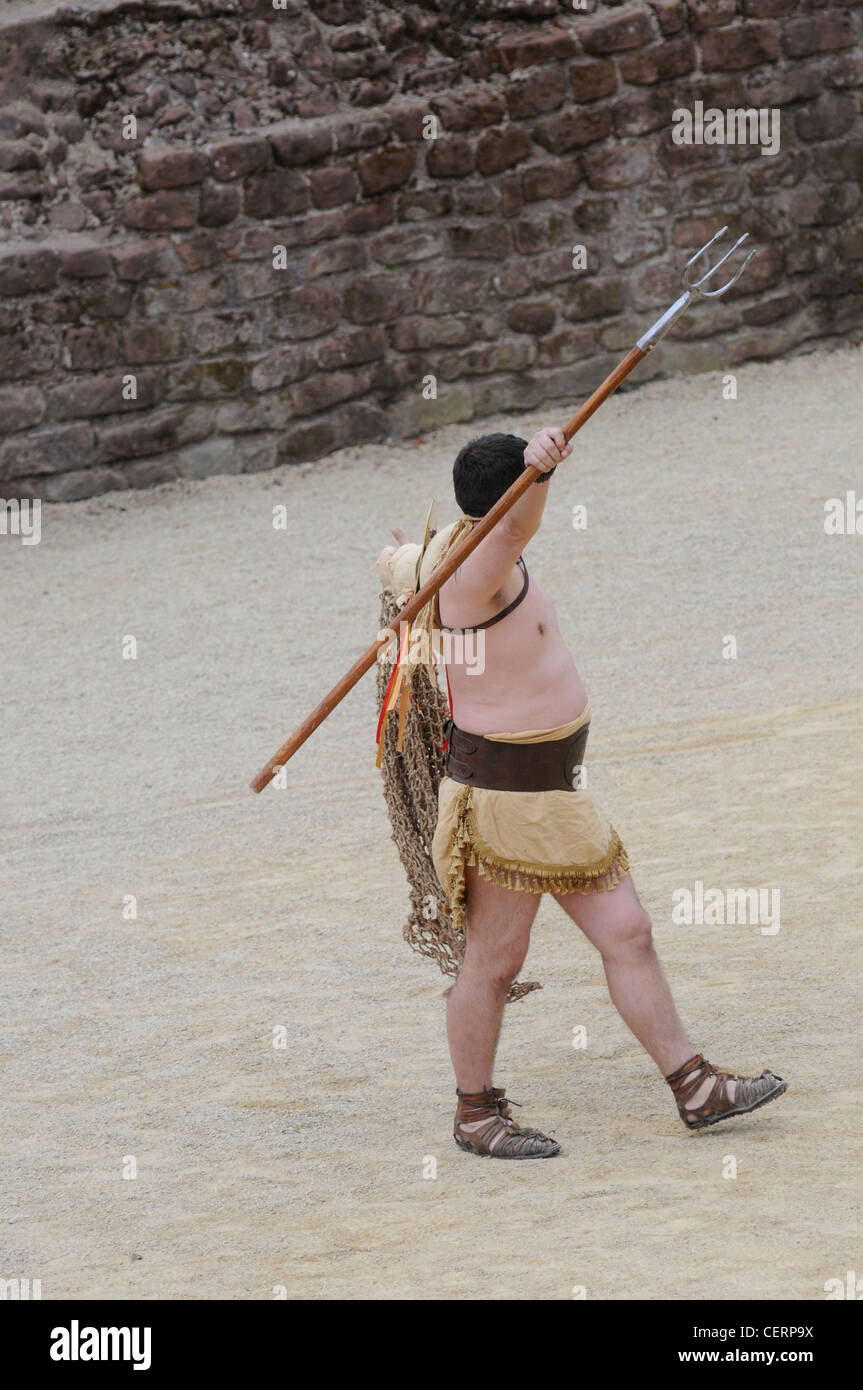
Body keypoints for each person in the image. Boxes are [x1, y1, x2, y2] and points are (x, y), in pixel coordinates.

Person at [401, 427, 787, 1160]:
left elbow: (413, 558)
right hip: (506, 799)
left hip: (555, 793)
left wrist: (398, 558)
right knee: (494, 961)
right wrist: (540, 476)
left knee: (627, 931)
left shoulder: (466, 546)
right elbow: (517, 520)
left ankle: (693, 1086)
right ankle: (475, 1115)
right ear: (505, 505)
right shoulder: (474, 567)